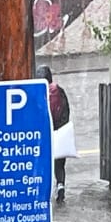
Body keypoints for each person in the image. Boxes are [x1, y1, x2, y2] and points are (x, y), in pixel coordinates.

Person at [36, 65, 70, 203]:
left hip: (44, 134)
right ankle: (60, 186)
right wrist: (62, 126)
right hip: (59, 131)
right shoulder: (59, 91)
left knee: (43, 163)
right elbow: (66, 110)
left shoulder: (37, 92)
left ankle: (43, 191)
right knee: (59, 163)